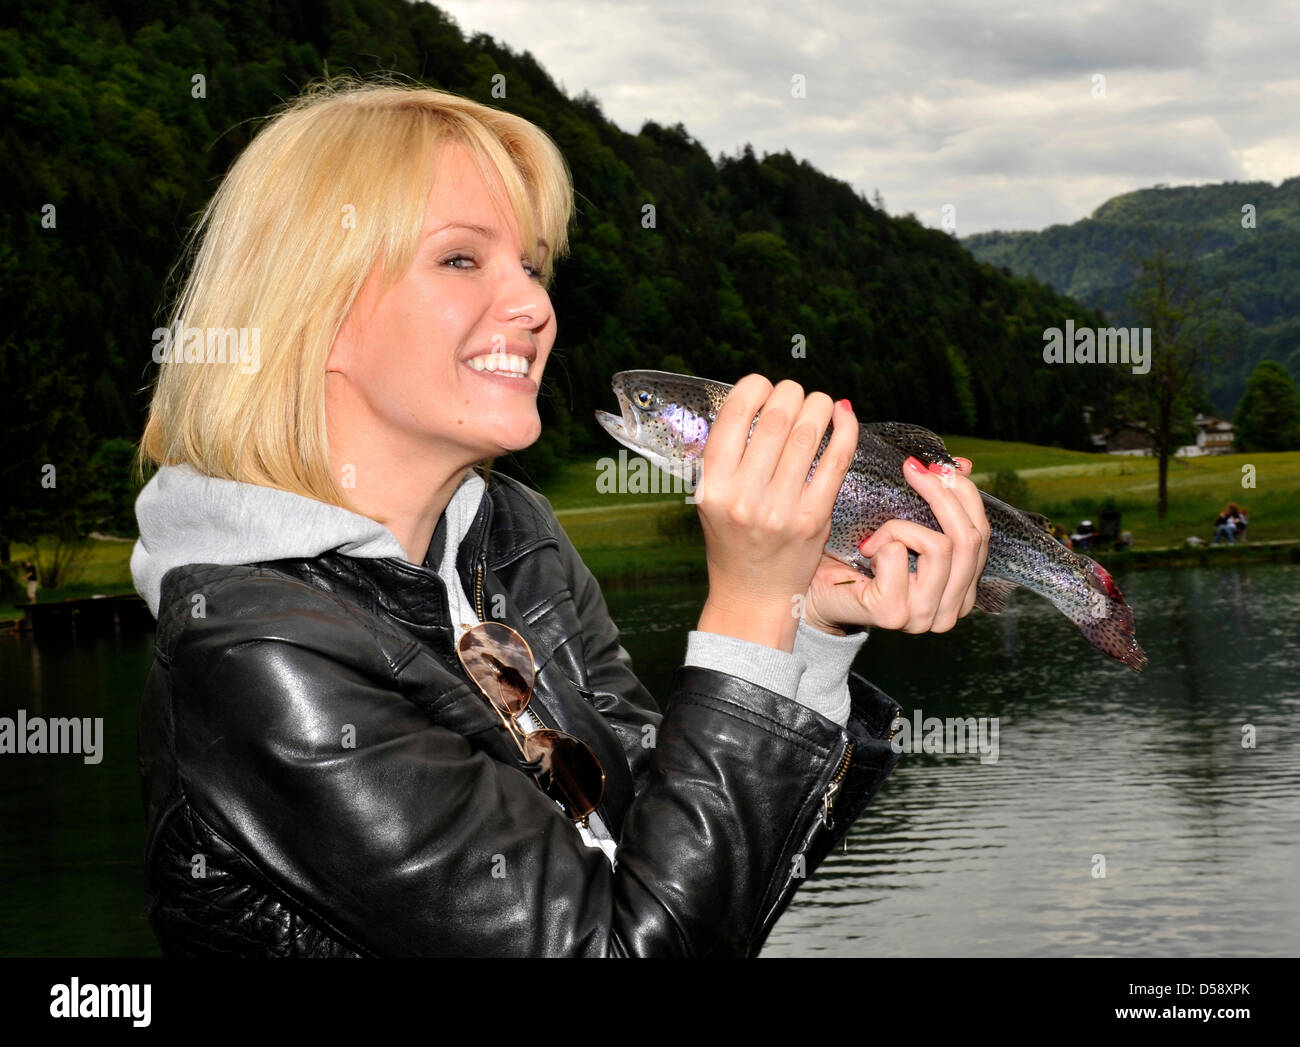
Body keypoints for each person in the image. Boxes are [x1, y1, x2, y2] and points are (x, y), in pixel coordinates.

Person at [131, 78, 992, 957]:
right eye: (462, 259)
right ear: (314, 310)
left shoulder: (514, 537)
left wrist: (800, 618)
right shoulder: (255, 656)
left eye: (532, 265)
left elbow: (688, 881)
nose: (535, 307)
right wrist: (744, 610)